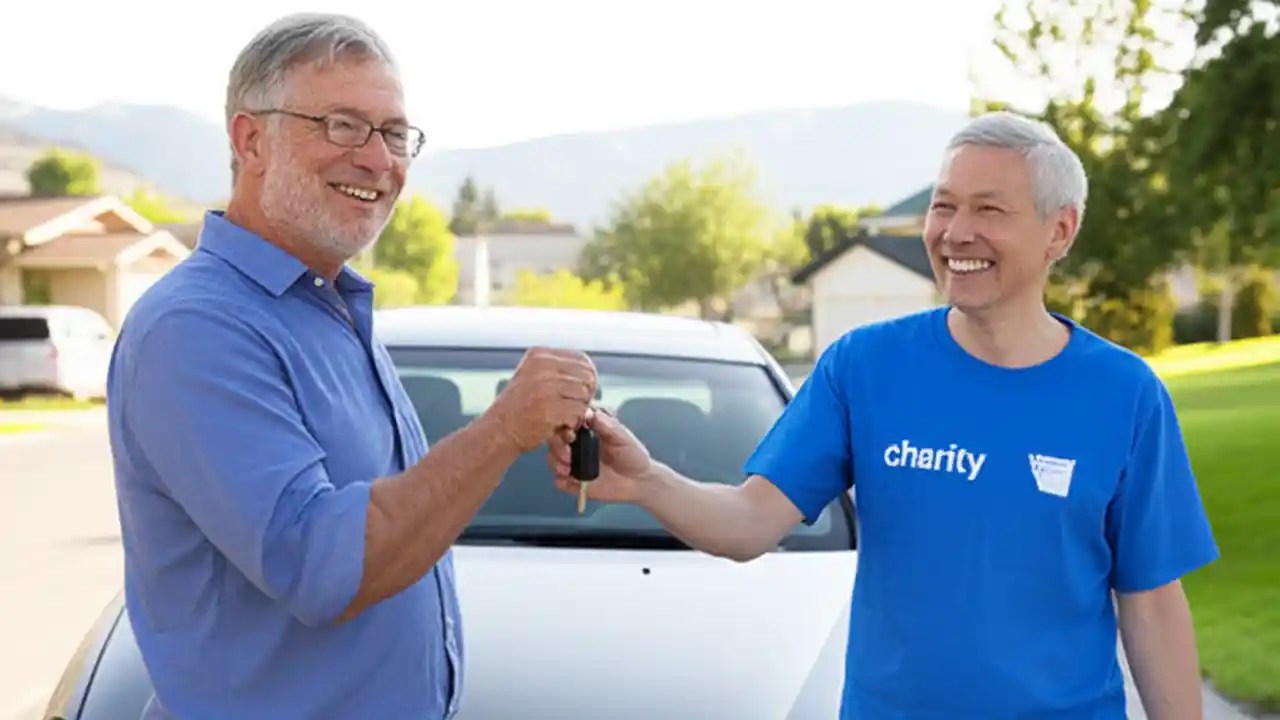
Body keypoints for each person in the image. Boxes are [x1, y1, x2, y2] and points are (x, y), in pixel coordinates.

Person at [551, 111, 1218, 719]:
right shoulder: (864, 369)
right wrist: (645, 482)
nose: (957, 233)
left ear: (1059, 230)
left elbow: (1152, 600)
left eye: (989, 209)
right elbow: (749, 524)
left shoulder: (1124, 395)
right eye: (944, 206)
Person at [106, 13, 597, 719]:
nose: (377, 159)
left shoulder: (327, 307)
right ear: (251, 142)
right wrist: (502, 431)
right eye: (341, 125)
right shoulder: (196, 328)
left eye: (394, 134)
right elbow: (323, 566)